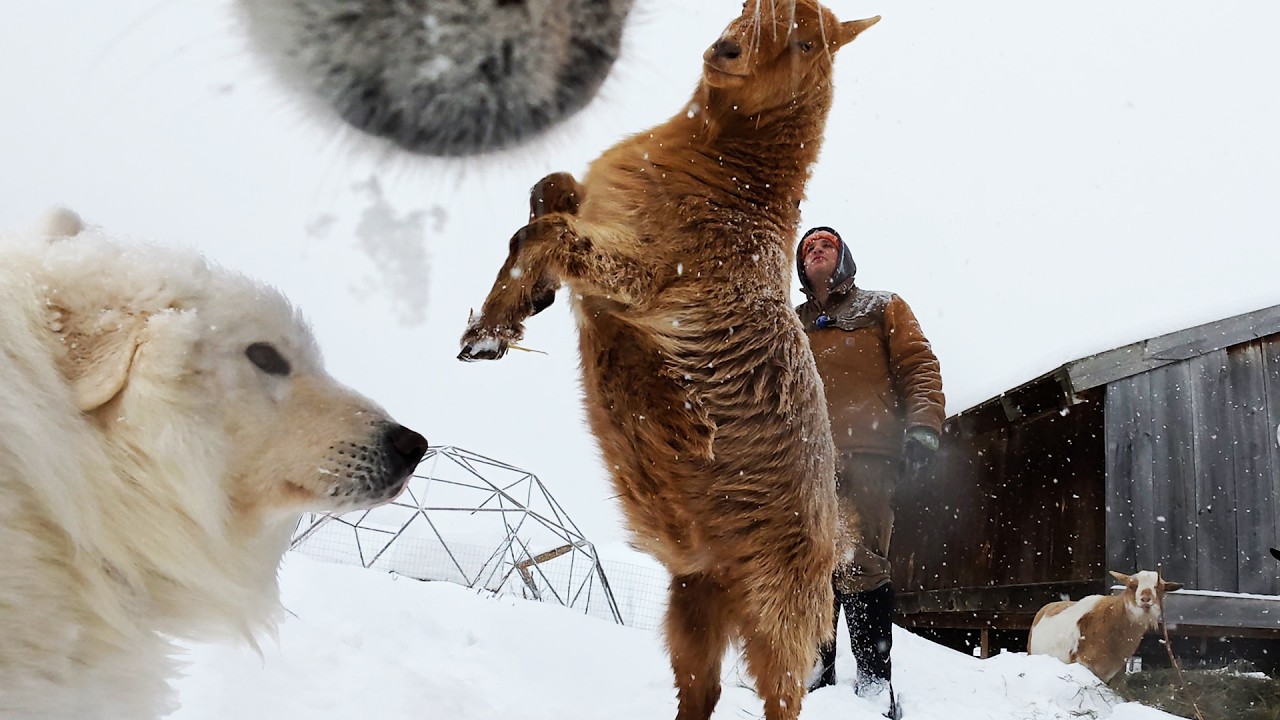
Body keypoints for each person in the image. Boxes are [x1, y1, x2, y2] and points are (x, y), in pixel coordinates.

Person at [795, 225, 945, 701]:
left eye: (827, 244)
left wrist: (923, 427)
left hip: (867, 455)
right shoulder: (789, 321)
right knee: (810, 566)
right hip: (804, 461)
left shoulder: (882, 306)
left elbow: (919, 364)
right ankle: (815, 681)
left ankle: (874, 685)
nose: (817, 249)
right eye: (808, 247)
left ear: (844, 259)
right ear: (800, 267)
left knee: (859, 561)